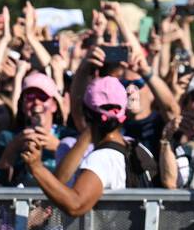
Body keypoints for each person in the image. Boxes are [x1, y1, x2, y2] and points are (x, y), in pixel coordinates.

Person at [22, 77, 128, 217]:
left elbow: (76, 205)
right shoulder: (138, 148)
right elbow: (59, 182)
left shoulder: (102, 158)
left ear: (86, 113)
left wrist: (36, 167)